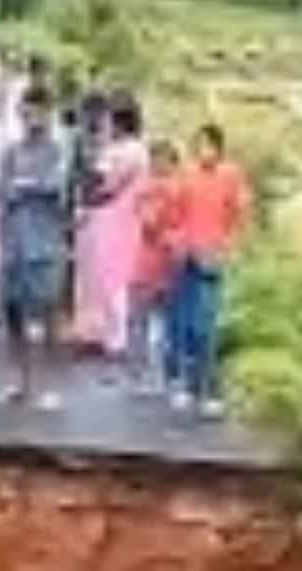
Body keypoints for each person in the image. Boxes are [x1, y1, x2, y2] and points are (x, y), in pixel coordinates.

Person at [166, 122, 250, 419]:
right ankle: (189, 388)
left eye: (208, 145)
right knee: (186, 326)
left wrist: (226, 249)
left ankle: (212, 391)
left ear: (219, 147)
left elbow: (240, 216)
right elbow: (173, 215)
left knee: (206, 327)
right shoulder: (186, 175)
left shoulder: (231, 175)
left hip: (211, 259)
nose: (203, 152)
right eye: (198, 145)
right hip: (186, 258)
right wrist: (176, 242)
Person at [0, 85, 67, 410]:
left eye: (38, 111)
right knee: (12, 313)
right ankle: (17, 380)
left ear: (48, 113)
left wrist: (27, 186)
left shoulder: (59, 150)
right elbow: (0, 189)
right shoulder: (11, 151)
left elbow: (58, 188)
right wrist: (20, 189)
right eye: (26, 111)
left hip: (45, 241)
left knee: (48, 313)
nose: (31, 118)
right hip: (13, 240)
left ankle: (49, 384)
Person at [73, 95, 148, 368]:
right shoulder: (121, 148)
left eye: (110, 120)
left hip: (115, 219)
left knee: (110, 277)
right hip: (110, 219)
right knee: (100, 276)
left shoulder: (128, 151)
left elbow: (102, 183)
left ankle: (115, 339)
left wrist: (90, 190)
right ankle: (99, 334)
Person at [128, 138, 183, 395]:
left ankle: (167, 375)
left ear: (174, 163)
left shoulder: (180, 189)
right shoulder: (145, 189)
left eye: (164, 160)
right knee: (139, 320)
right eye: (155, 160)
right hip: (146, 262)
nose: (159, 165)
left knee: (169, 322)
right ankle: (139, 375)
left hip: (171, 263)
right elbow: (148, 222)